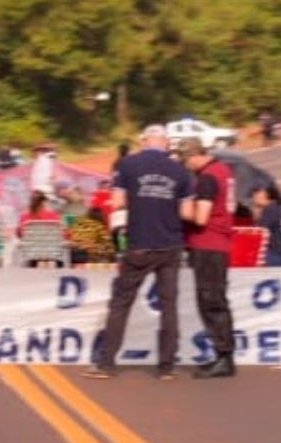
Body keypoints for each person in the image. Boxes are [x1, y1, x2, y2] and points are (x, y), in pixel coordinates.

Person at [84, 124, 192, 380]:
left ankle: (107, 363)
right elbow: (187, 213)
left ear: (144, 141)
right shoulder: (181, 172)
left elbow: (118, 202)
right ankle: (166, 367)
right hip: (170, 244)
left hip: (139, 243)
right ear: (166, 142)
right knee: (169, 306)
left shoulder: (128, 165)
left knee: (121, 302)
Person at [178, 138, 238, 379]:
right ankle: (222, 354)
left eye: (186, 162)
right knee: (216, 298)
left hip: (208, 244)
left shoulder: (207, 178)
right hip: (220, 242)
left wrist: (184, 208)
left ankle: (224, 356)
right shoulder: (224, 170)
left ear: (192, 156)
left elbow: (201, 217)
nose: (187, 167)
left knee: (211, 300)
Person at [252, 183, 281, 267]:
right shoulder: (280, 208)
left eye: (257, 193)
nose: (254, 196)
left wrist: (257, 214)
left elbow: (256, 233)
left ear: (267, 195)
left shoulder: (270, 210)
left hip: (271, 257)